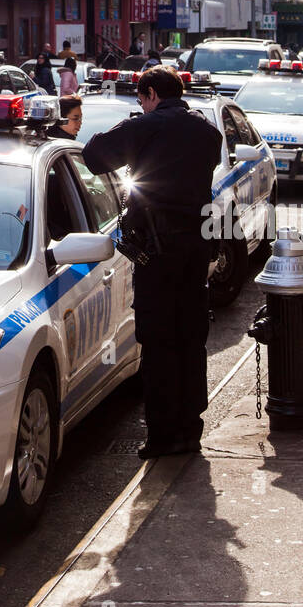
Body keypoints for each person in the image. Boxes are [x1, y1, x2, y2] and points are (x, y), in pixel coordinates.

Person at [82, 65, 223, 459]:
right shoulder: (207, 131)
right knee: (191, 337)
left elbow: (94, 156)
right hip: (196, 248)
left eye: (141, 100)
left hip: (156, 253)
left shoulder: (146, 126)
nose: (141, 106)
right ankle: (190, 430)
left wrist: (132, 131)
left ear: (149, 95)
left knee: (159, 341)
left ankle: (163, 435)